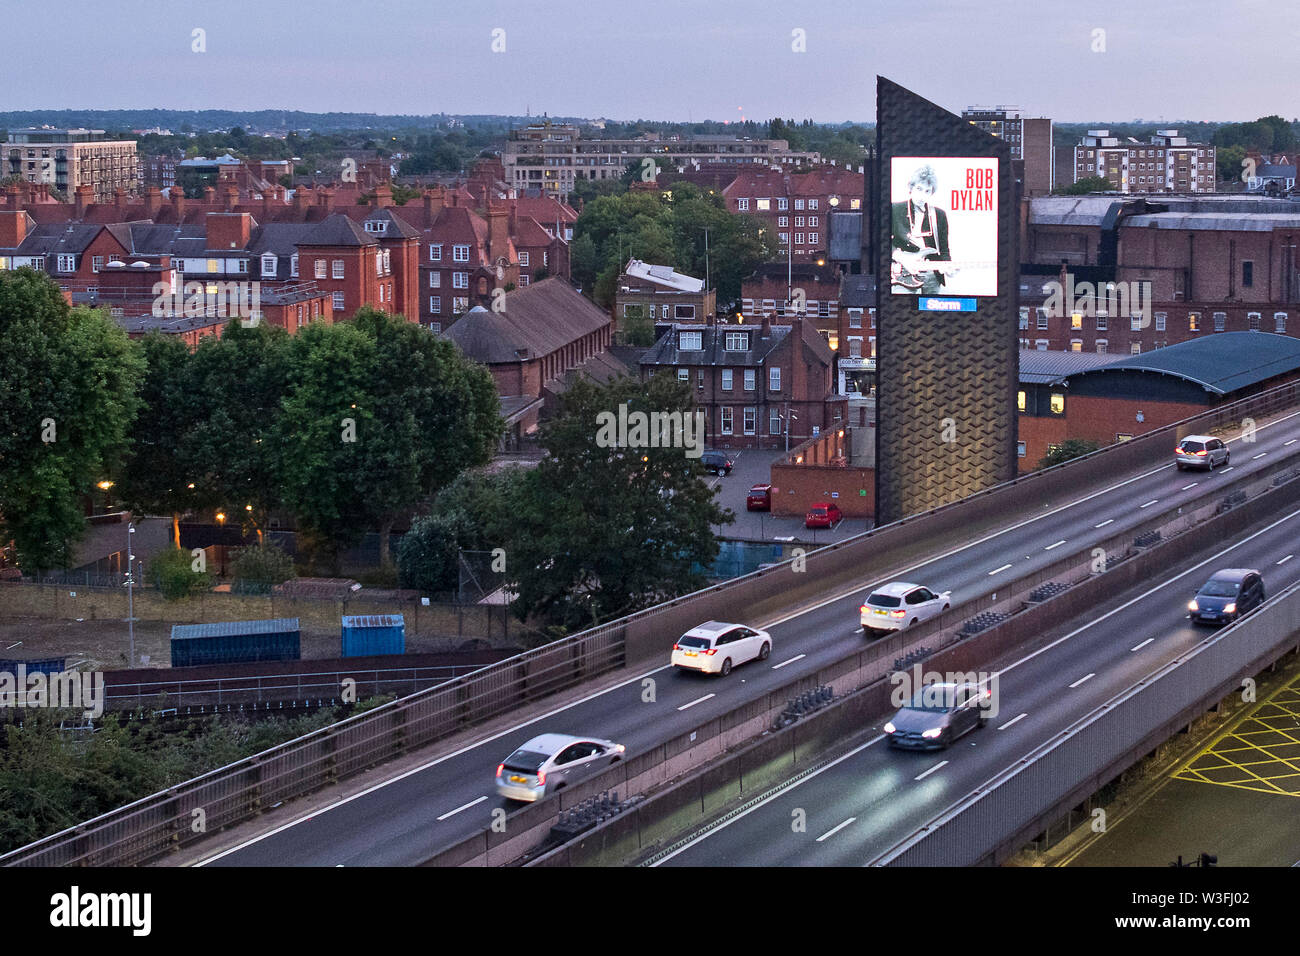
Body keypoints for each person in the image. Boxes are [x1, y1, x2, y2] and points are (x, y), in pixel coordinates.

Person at [891, 164, 951, 294]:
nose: (922, 195)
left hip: (931, 277)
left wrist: (947, 267)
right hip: (903, 274)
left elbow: (944, 248)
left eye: (927, 191)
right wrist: (900, 256)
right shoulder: (894, 209)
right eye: (919, 188)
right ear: (911, 188)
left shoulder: (939, 215)